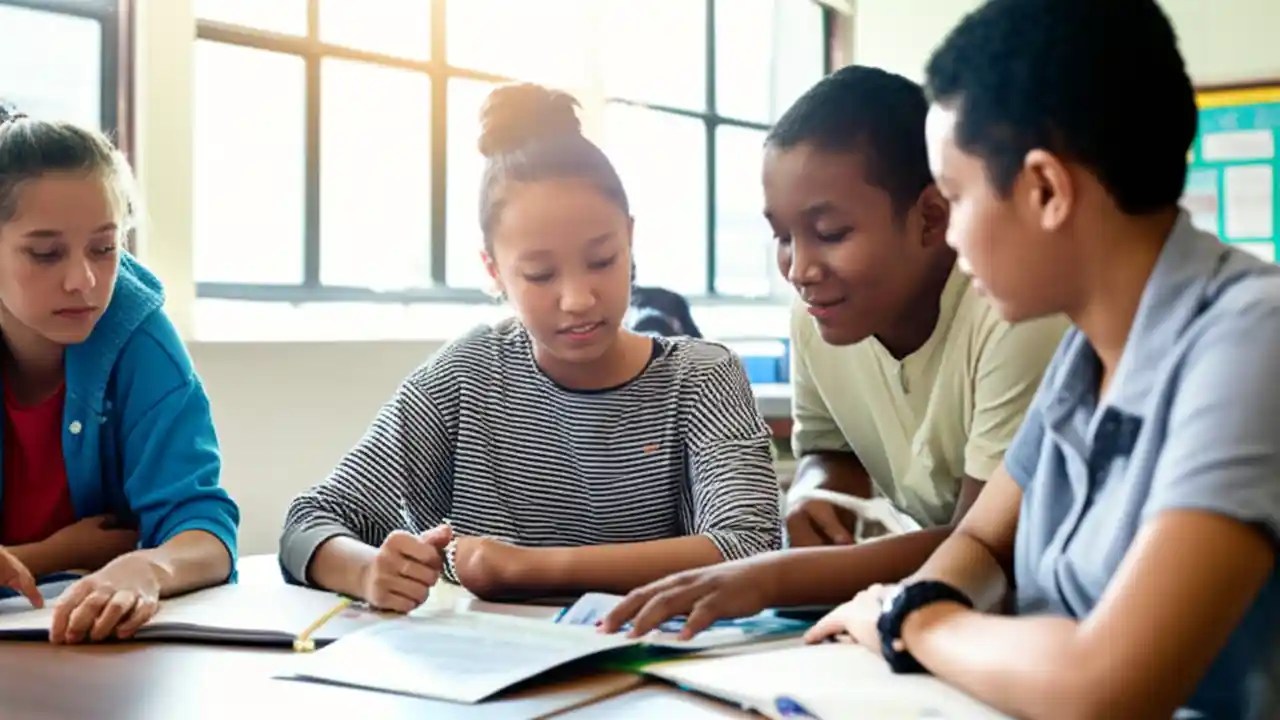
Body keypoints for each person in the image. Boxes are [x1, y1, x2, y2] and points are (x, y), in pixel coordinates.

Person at [803, 2, 1280, 718]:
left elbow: (1107, 683)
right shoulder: (1086, 353)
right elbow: (984, 541)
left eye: (957, 197)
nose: (952, 236)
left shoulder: (1253, 341)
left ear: (1046, 190)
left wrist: (913, 622)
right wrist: (912, 609)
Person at [601, 66, 1064, 639]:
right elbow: (831, 447)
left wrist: (775, 577)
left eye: (831, 232)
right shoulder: (817, 318)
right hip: (941, 616)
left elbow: (981, 544)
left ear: (930, 217)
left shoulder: (1014, 314)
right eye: (783, 236)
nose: (800, 269)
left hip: (1045, 621)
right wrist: (817, 492)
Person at [279, 84, 781, 609]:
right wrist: (367, 572)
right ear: (494, 270)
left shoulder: (701, 378)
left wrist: (521, 568)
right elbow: (309, 522)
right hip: (492, 678)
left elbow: (750, 547)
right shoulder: (467, 375)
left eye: (603, 260)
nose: (578, 299)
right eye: (540, 274)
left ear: (630, 240)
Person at [0, 107, 240, 643]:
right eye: (45, 253)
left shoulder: (142, 340)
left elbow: (206, 530)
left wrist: (148, 567)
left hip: (96, 655)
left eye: (105, 248)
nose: (83, 280)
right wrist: (56, 555)